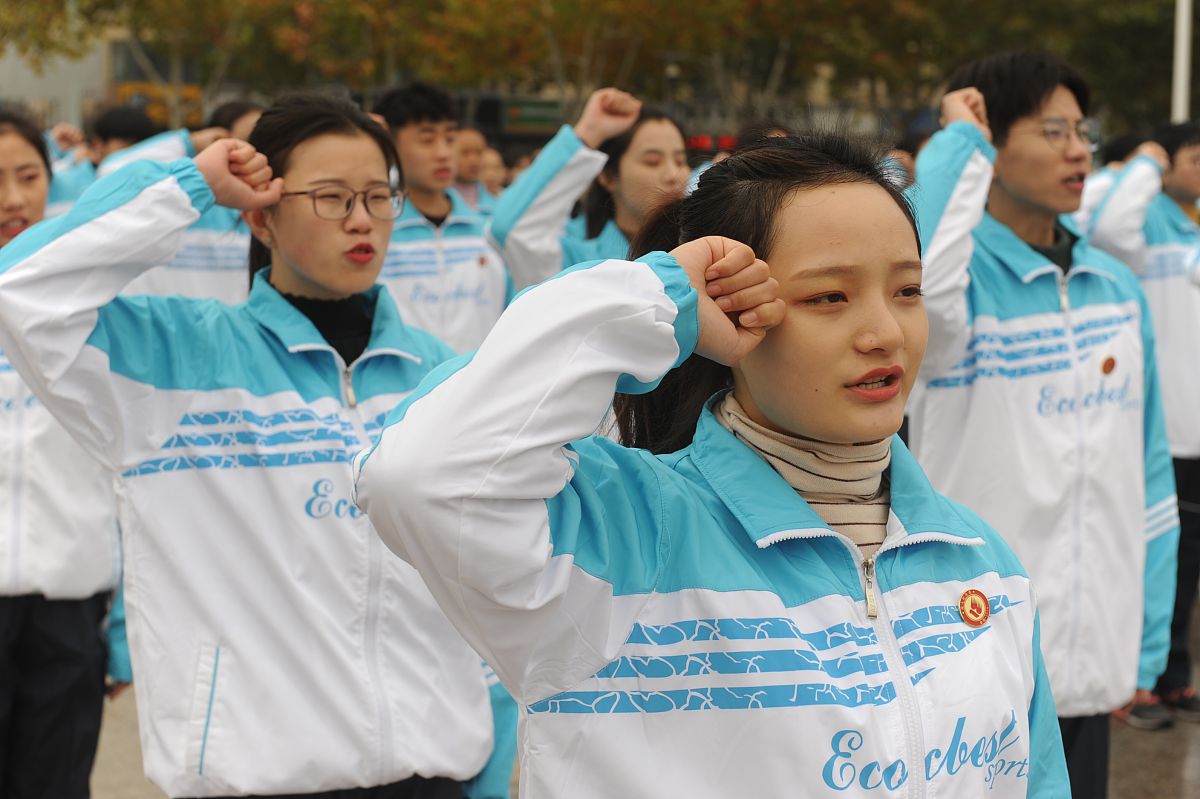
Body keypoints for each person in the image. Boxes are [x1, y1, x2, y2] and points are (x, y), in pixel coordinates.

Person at [355, 133, 1070, 798]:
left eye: (908, 290)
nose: (885, 331)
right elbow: (420, 475)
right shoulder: (625, 538)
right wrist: (658, 297)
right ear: (733, 310)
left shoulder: (983, 564)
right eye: (830, 296)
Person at [0, 92, 499, 799]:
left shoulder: (443, 375)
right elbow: (18, 289)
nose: (361, 219)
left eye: (377, 196)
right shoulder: (173, 363)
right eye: (329, 196)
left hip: (434, 771)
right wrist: (190, 186)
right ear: (260, 213)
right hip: (253, 775)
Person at [905, 52, 1178, 798]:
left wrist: (1145, 636)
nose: (1079, 149)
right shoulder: (954, 301)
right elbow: (922, 277)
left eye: (1082, 131)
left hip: (1089, 662)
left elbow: (1149, 472)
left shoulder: (1114, 288)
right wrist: (956, 143)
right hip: (973, 651)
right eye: (1052, 129)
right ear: (992, 145)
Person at [0, 104, 126, 799]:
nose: (14, 199)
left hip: (71, 605)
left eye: (28, 175)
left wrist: (128, 627)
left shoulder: (92, 298)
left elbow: (127, 466)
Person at [1082, 121, 1200, 727]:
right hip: (1165, 428)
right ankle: (1139, 684)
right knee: (1159, 559)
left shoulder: (1191, 220)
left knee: (1188, 566)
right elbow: (1108, 226)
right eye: (1193, 158)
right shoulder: (1139, 216)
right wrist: (1147, 161)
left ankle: (1174, 678)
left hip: (1195, 426)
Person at [489, 88, 689, 290]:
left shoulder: (709, 253)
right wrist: (589, 132)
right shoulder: (578, 266)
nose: (673, 174)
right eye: (652, 162)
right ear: (608, 176)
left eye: (681, 161)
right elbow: (513, 230)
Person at [372, 83, 512, 353]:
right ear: (389, 144)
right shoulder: (376, 228)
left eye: (449, 138)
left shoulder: (488, 230)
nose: (443, 153)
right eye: (427, 140)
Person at [94, 103, 258, 303]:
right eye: (249, 141)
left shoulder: (259, 215)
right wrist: (189, 142)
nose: (257, 154)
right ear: (217, 142)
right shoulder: (175, 197)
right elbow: (111, 170)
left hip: (232, 332)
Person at [454, 127, 497, 215]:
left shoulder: (496, 205)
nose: (473, 160)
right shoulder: (436, 202)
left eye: (479, 153)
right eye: (465, 153)